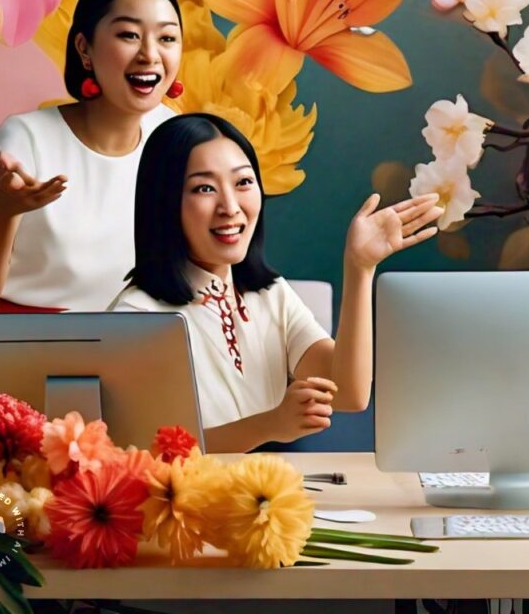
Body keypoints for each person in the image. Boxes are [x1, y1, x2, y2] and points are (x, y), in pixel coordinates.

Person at [110, 113, 443, 452]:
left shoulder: (270, 295)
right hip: (189, 502)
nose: (230, 207)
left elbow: (348, 392)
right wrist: (269, 424)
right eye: (204, 188)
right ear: (164, 203)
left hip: (270, 496)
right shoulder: (136, 317)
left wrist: (359, 269)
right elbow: (150, 452)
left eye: (243, 183)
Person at [0, 0, 184, 314]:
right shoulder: (26, 140)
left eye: (167, 38)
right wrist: (6, 211)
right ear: (84, 48)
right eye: (129, 35)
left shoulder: (176, 137)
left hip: (141, 347)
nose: (150, 55)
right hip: (29, 350)